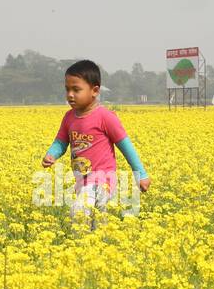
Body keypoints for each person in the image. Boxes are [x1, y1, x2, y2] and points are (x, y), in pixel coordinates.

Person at [41, 60, 151, 231]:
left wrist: (141, 175)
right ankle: (96, 249)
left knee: (79, 210)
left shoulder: (105, 117)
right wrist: (51, 154)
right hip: (81, 181)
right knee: (97, 224)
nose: (70, 94)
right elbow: (61, 142)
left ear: (95, 91)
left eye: (76, 90)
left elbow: (126, 146)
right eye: (67, 89)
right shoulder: (69, 117)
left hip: (103, 180)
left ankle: (80, 245)